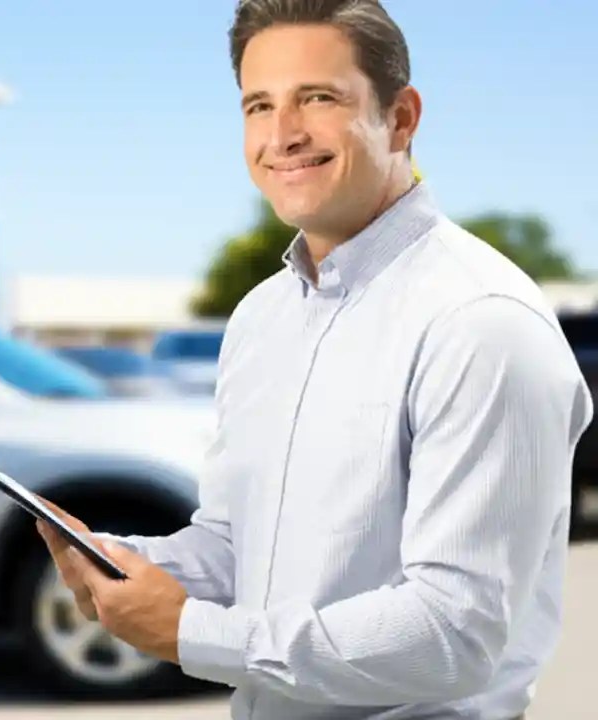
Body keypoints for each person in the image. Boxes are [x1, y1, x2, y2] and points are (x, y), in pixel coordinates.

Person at [35, 1, 594, 718]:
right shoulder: (263, 319)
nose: (282, 135)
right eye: (258, 105)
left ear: (401, 118)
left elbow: (454, 633)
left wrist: (188, 632)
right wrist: (130, 567)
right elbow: (243, 548)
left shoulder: (481, 323)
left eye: (318, 99)